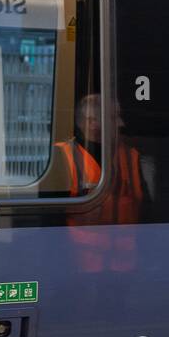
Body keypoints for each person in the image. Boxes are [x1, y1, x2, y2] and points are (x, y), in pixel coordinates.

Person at [52, 93, 147, 271]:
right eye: (113, 117)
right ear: (91, 123)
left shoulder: (131, 156)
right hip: (78, 271)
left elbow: (148, 214)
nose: (121, 123)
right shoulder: (61, 158)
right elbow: (50, 223)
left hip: (124, 272)